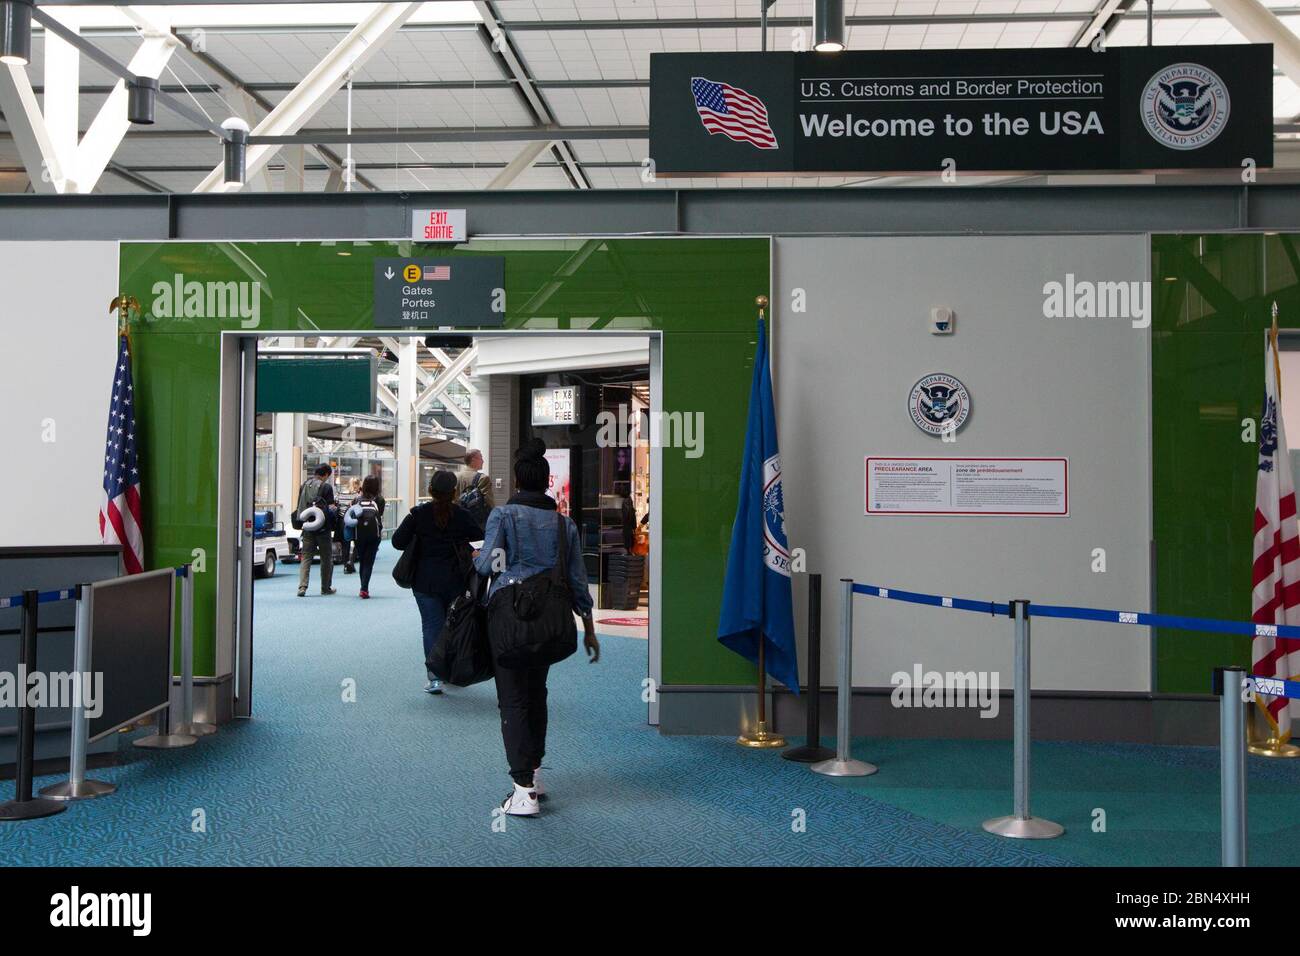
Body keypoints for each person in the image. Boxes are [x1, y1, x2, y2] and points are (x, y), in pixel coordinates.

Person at [474, 438, 599, 818]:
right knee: (536, 693)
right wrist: (589, 628)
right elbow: (578, 579)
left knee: (512, 698)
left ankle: (523, 789)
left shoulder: (503, 517)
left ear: (516, 481)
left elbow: (486, 568)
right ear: (547, 481)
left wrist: (477, 556)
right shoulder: (565, 525)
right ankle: (536, 773)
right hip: (549, 619)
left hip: (510, 620)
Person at [391, 470, 483, 695]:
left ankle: (434, 678)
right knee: (452, 625)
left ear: (430, 490)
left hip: (424, 581)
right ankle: (451, 671)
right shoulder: (461, 514)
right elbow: (479, 535)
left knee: (431, 627)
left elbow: (397, 542)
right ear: (454, 492)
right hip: (455, 580)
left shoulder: (417, 514)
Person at [296, 463, 338, 597]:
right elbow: (330, 507)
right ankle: (325, 587)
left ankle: (302, 587)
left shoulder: (304, 485)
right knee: (326, 557)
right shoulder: (326, 487)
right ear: (325, 474)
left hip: (307, 527)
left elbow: (300, 506)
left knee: (306, 557)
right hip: (323, 529)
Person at [349, 475, 386, 599]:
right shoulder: (380, 500)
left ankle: (363, 587)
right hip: (374, 535)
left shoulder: (356, 500)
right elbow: (379, 516)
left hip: (358, 534)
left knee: (362, 560)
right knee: (369, 561)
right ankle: (364, 588)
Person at [456, 449, 495, 528]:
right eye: (481, 458)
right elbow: (489, 503)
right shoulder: (483, 478)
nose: (483, 461)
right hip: (476, 523)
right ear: (473, 460)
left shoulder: (455, 476)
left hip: (457, 520)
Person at [341, 477, 362, 574]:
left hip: (343, 521)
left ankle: (345, 565)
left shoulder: (341, 494)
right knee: (357, 542)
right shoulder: (358, 496)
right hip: (355, 521)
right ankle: (351, 561)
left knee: (345, 543)